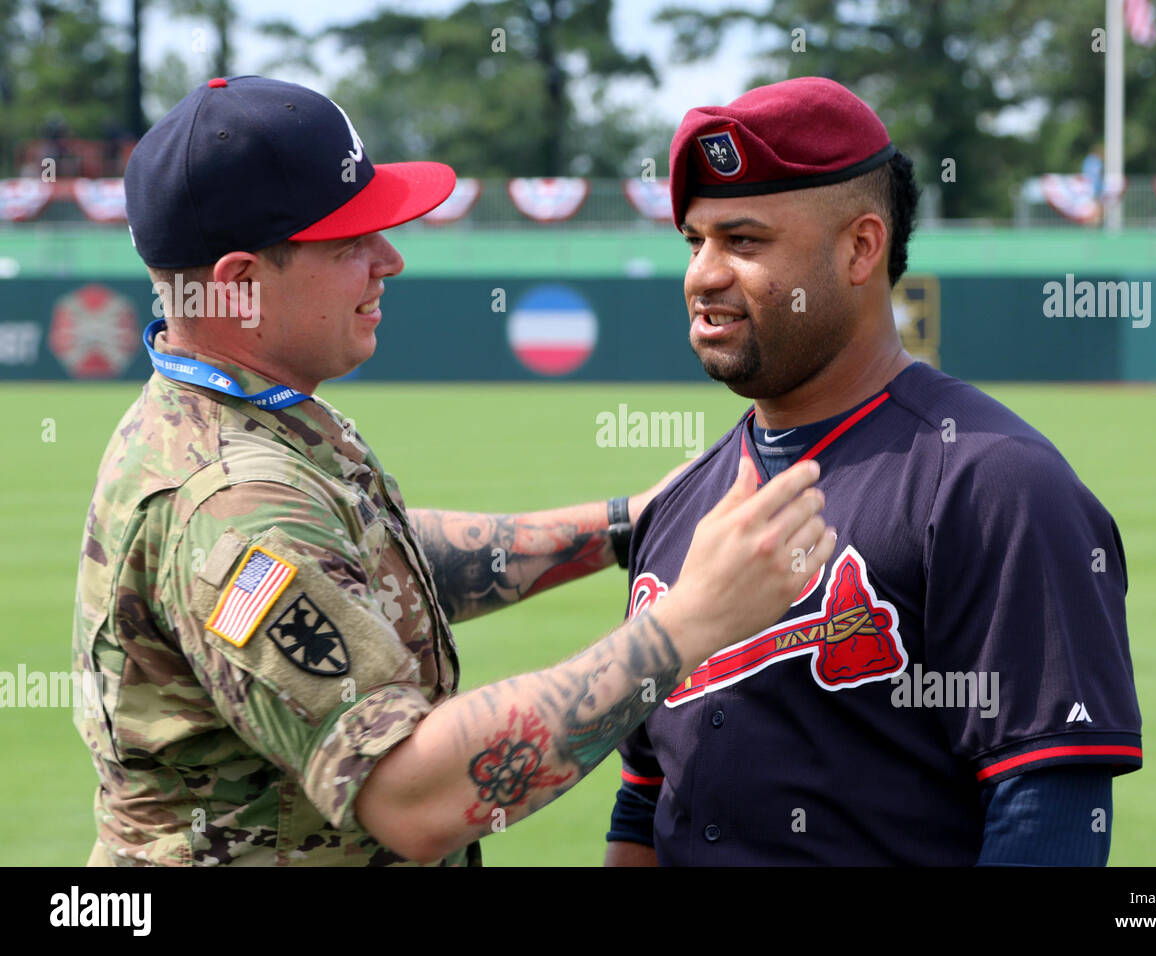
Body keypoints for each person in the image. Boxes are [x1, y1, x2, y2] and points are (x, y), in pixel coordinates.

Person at [73, 75, 833, 866]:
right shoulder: (232, 503)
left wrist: (620, 525)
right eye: (349, 244)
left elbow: (366, 569)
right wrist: (691, 622)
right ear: (238, 286)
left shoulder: (245, 412)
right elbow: (415, 796)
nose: (390, 260)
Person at [604, 77, 1143, 866]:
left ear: (861, 248)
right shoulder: (680, 505)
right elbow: (646, 800)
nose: (704, 274)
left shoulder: (994, 484)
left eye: (744, 241)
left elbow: (1047, 815)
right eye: (695, 241)